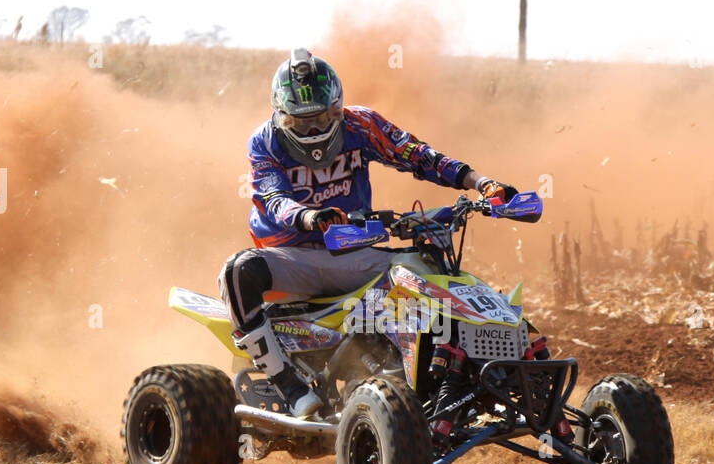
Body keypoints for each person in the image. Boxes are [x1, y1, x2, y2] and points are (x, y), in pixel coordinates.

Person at [219, 48, 517, 417]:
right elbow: (274, 197)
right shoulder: (264, 142)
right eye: (301, 122)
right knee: (236, 271)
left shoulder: (361, 125)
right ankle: (289, 386)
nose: (313, 129)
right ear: (281, 116)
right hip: (292, 258)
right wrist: (309, 217)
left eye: (324, 117)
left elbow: (418, 155)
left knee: (423, 268)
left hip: (356, 252)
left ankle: (467, 372)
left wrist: (481, 183)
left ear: (338, 108)